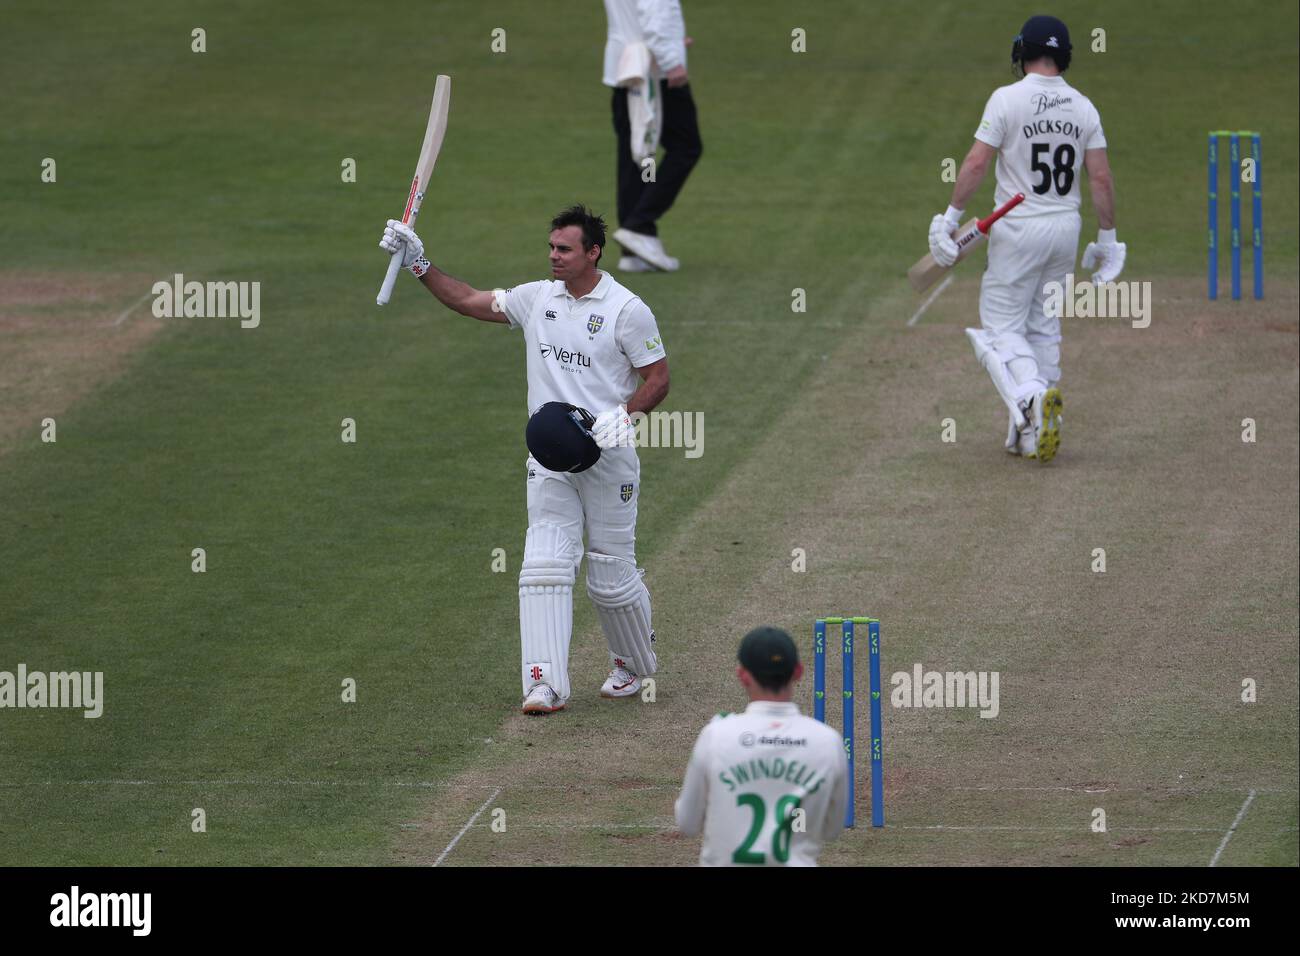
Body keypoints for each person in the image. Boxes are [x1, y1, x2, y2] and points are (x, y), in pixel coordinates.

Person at [378, 205, 670, 715]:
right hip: (550, 457)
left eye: (565, 249)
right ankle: (544, 684)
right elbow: (469, 300)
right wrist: (419, 265)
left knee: (609, 575)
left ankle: (632, 664)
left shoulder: (627, 309)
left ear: (593, 252)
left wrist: (625, 416)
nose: (554, 257)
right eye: (552, 248)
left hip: (608, 458)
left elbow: (658, 378)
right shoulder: (537, 298)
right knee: (544, 565)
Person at [927, 14, 1122, 462]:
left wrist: (950, 217)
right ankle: (1034, 432)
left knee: (999, 329)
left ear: (1022, 52)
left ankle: (1033, 397)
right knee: (1043, 326)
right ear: (1064, 55)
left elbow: (976, 164)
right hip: (1065, 229)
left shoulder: (1006, 99)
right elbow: (1102, 179)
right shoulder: (1084, 107)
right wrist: (1108, 240)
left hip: (1017, 226)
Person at [675, 626, 848, 866]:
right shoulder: (828, 741)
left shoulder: (716, 735)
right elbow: (832, 831)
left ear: (743, 675)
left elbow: (688, 822)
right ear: (797, 672)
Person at [603, 0, 703, 273]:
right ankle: (639, 226)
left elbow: (636, 16)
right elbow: (652, 11)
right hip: (655, 73)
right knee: (686, 147)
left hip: (624, 68)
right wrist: (672, 60)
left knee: (634, 153)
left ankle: (632, 249)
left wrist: (674, 41)